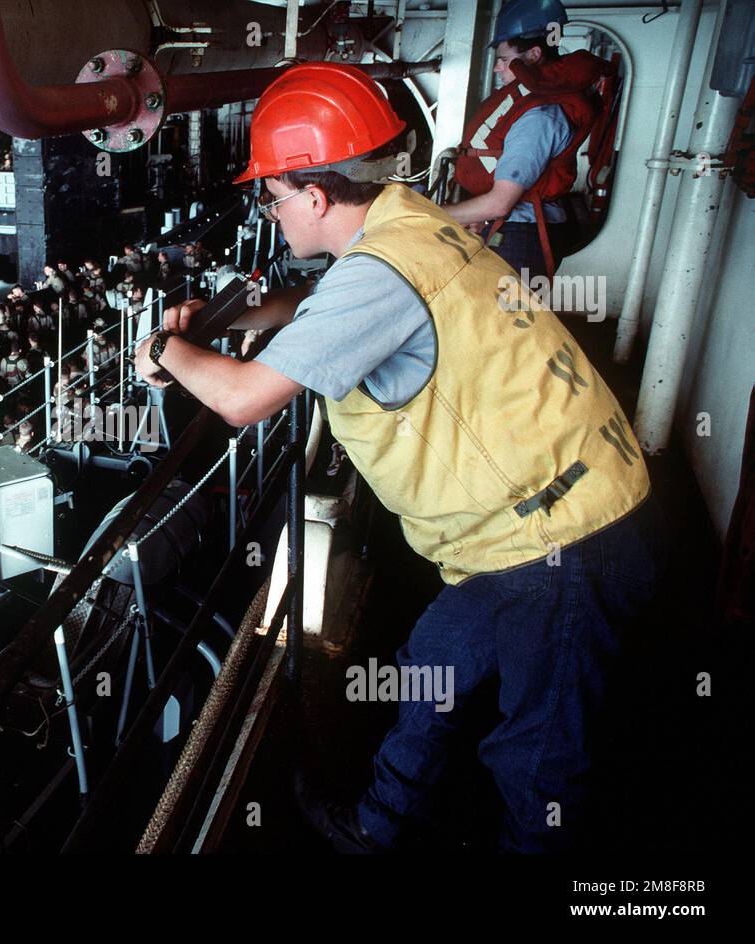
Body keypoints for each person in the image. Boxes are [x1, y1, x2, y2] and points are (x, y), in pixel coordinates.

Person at [135, 61, 660, 853]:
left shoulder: (379, 272)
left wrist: (164, 349)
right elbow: (334, 298)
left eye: (274, 200)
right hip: (538, 519)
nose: (273, 216)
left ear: (315, 197)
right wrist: (234, 311)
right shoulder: (409, 223)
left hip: (560, 543)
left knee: (539, 764)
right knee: (432, 665)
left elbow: (241, 400)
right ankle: (381, 825)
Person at [445, 0, 610, 278]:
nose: (498, 68)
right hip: (509, 229)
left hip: (521, 238)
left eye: (504, 59)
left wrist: (432, 215)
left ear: (533, 55)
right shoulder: (529, 104)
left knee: (503, 321)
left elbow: (500, 203)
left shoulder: (539, 116)